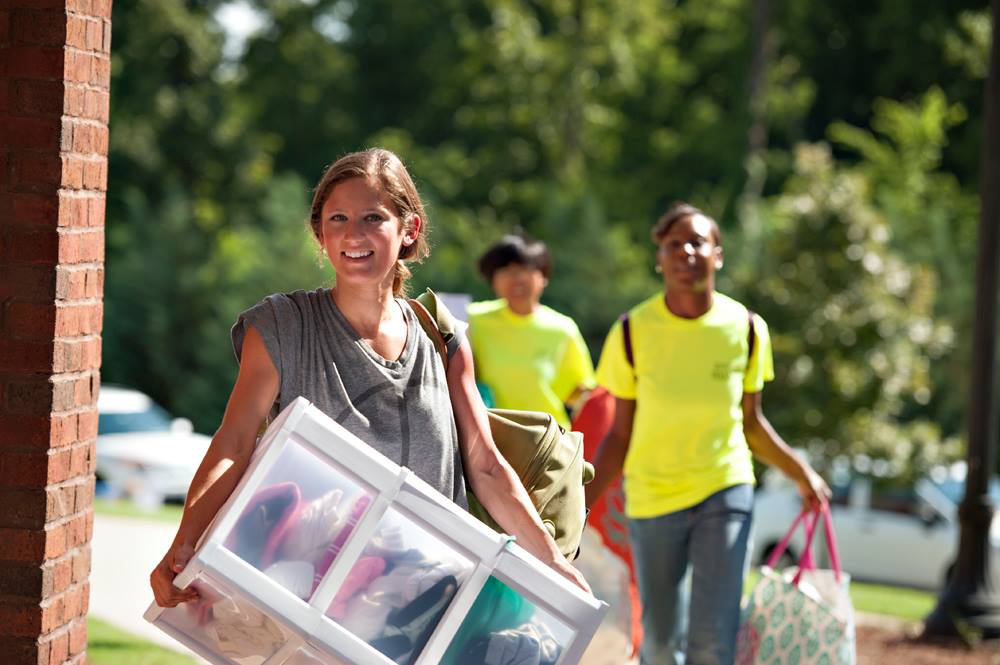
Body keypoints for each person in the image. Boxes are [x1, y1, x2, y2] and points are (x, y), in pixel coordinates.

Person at [150, 148, 589, 609]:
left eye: (373, 218)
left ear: (409, 229)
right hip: (306, 593)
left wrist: (552, 563)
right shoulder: (281, 326)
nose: (353, 234)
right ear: (320, 233)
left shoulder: (443, 337)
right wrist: (185, 542)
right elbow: (234, 443)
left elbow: (485, 465)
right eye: (337, 218)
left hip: (425, 599)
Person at [585, 202, 830, 665]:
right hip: (653, 497)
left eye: (698, 242)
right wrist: (580, 504)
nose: (686, 251)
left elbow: (752, 425)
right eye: (674, 244)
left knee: (713, 640)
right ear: (659, 258)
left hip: (724, 488)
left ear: (717, 254)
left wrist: (802, 473)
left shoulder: (747, 329)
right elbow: (619, 435)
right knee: (661, 642)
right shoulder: (632, 332)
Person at [467, 233, 595, 428]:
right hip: (490, 436)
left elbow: (579, 394)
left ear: (543, 276)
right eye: (505, 270)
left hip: (547, 437)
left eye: (525, 269)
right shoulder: (471, 320)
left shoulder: (562, 328)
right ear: (492, 279)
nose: (516, 278)